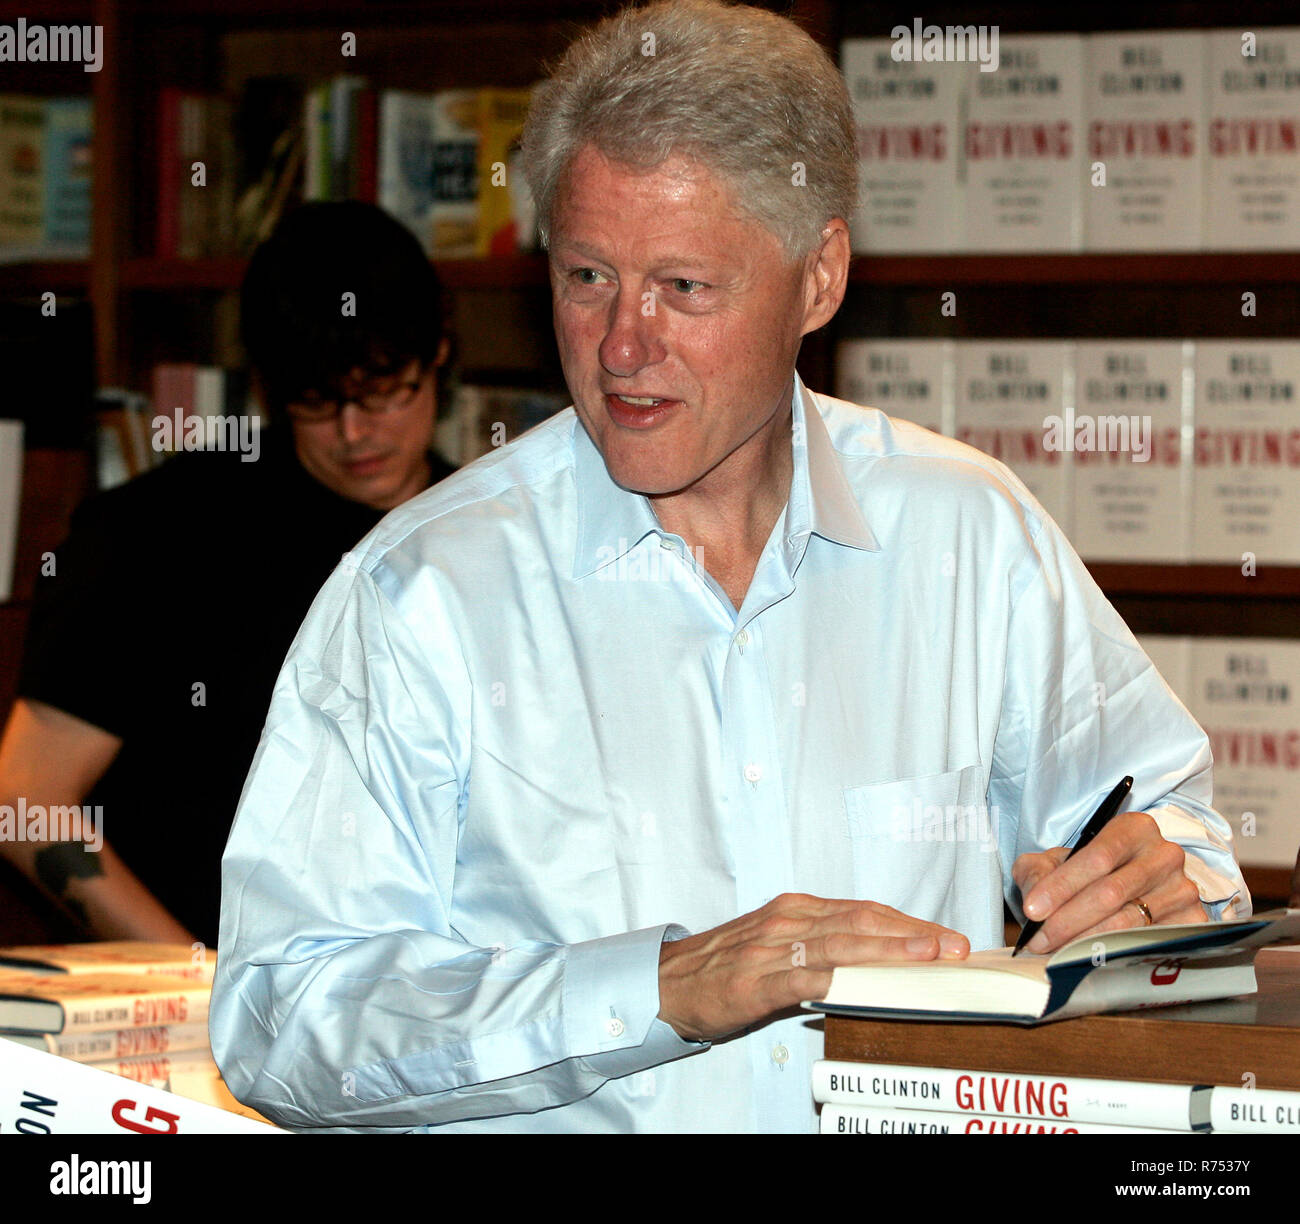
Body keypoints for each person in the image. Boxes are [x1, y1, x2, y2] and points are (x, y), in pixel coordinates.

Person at [210, 0, 1247, 1133]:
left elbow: (1169, 829)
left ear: (819, 277)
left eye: (685, 288)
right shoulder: (418, 595)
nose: (622, 346)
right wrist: (658, 989)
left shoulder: (967, 536)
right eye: (587, 277)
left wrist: (1161, 880)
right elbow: (279, 1018)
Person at [0, 201, 454, 948]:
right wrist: (198, 984)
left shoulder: (481, 532)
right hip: (192, 1007)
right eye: (317, 402)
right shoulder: (156, 532)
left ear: (438, 349)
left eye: (382, 390)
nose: (353, 432)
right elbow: (27, 798)